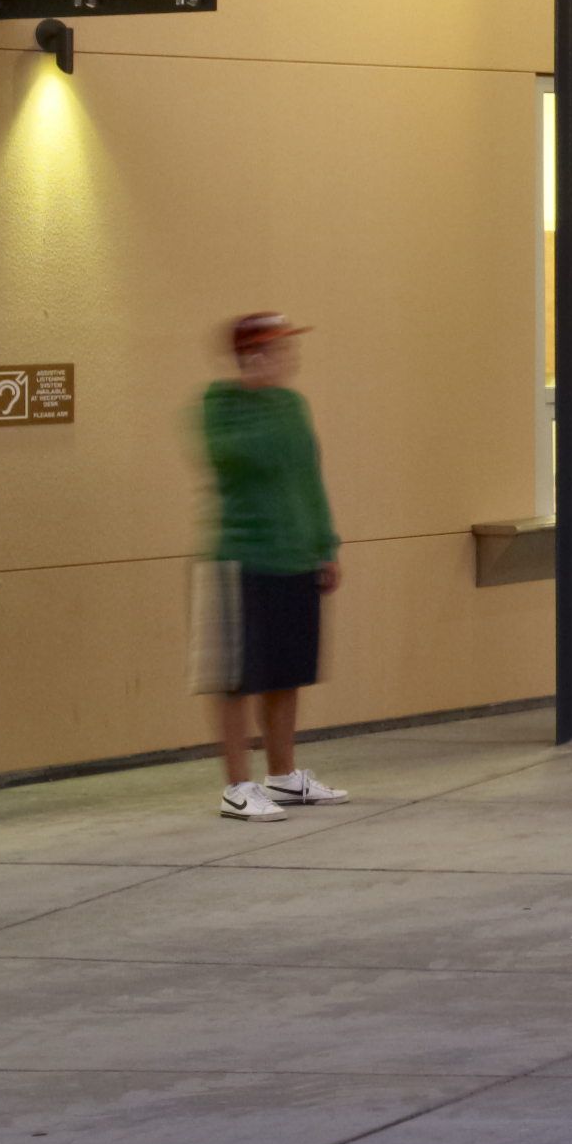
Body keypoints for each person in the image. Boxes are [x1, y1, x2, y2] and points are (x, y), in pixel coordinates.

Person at [201, 306, 340, 820]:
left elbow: (309, 475)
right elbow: (231, 459)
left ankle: (282, 777)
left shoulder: (293, 404)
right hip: (242, 557)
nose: (290, 355)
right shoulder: (220, 403)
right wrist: (255, 393)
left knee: (287, 671)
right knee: (238, 678)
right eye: (280, 346)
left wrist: (327, 544)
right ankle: (237, 786)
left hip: (295, 555)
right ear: (252, 354)